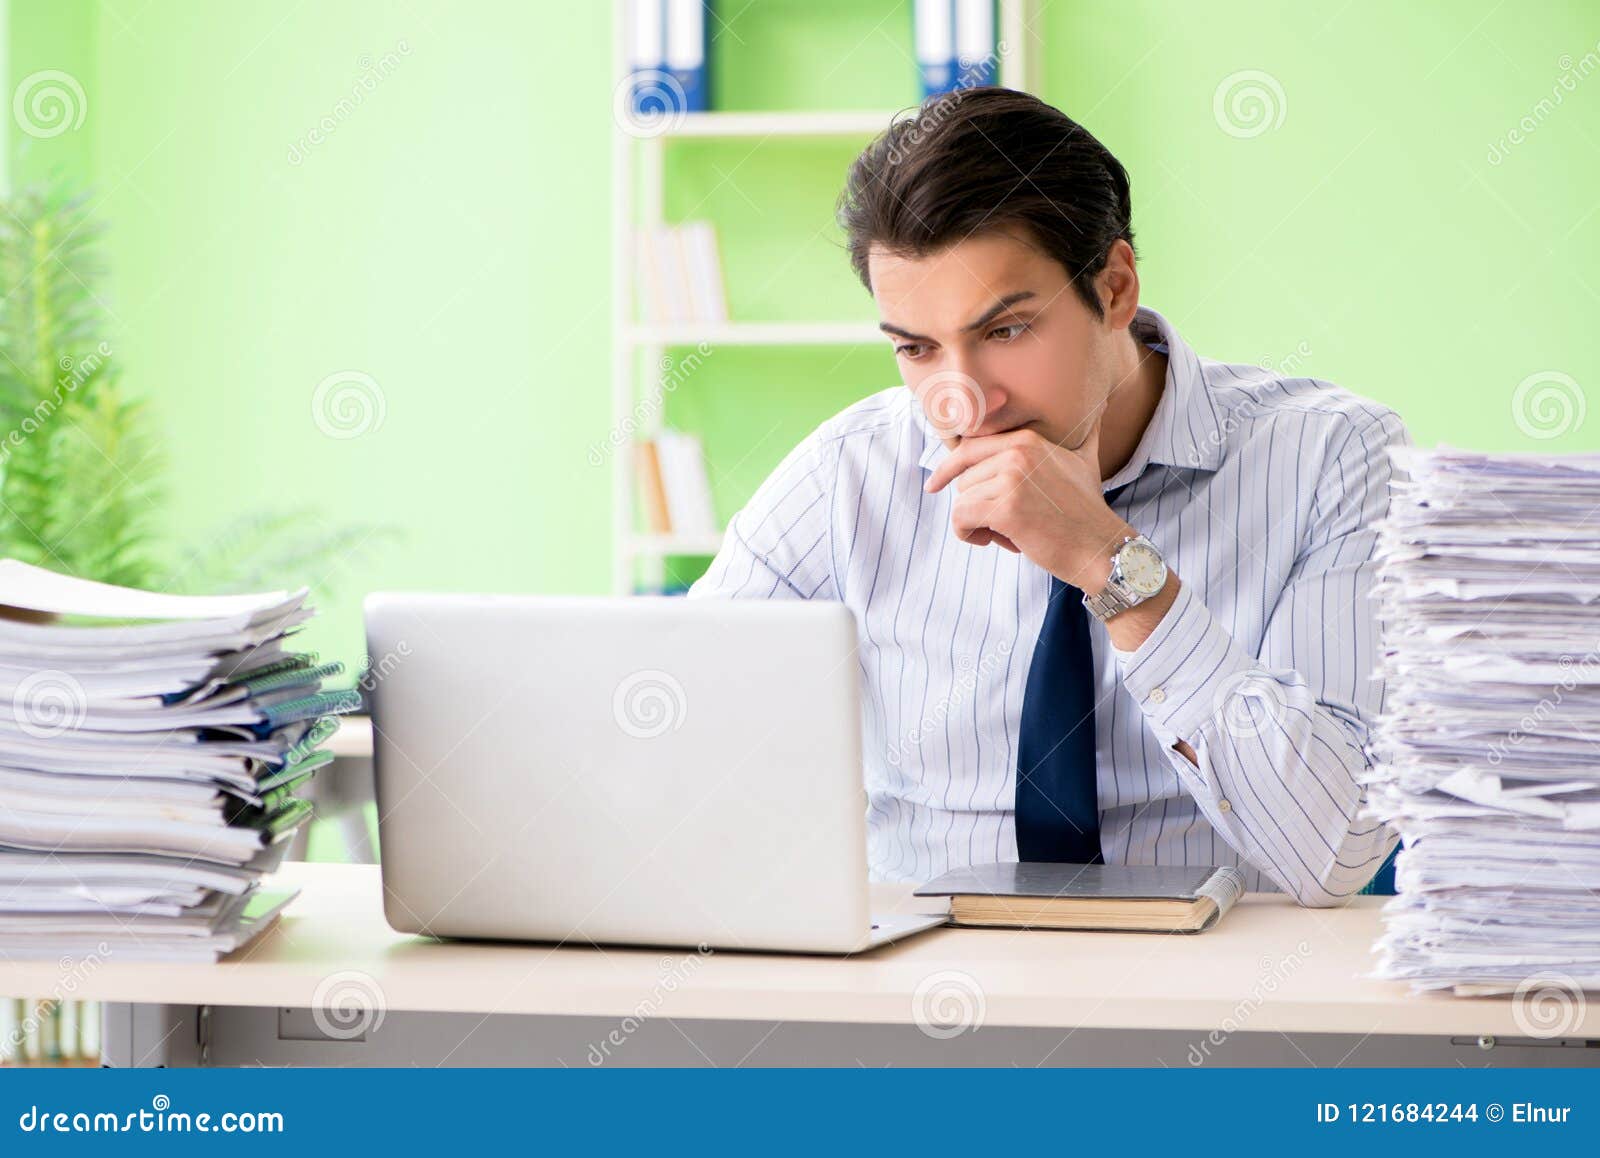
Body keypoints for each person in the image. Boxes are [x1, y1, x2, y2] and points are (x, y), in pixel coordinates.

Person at [687, 87, 1405, 906]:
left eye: (1005, 332)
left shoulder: (1334, 457)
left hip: (1220, 993)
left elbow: (1334, 855)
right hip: (910, 982)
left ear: (1116, 287)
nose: (963, 401)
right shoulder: (850, 471)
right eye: (918, 349)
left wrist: (1113, 564)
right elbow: (677, 734)